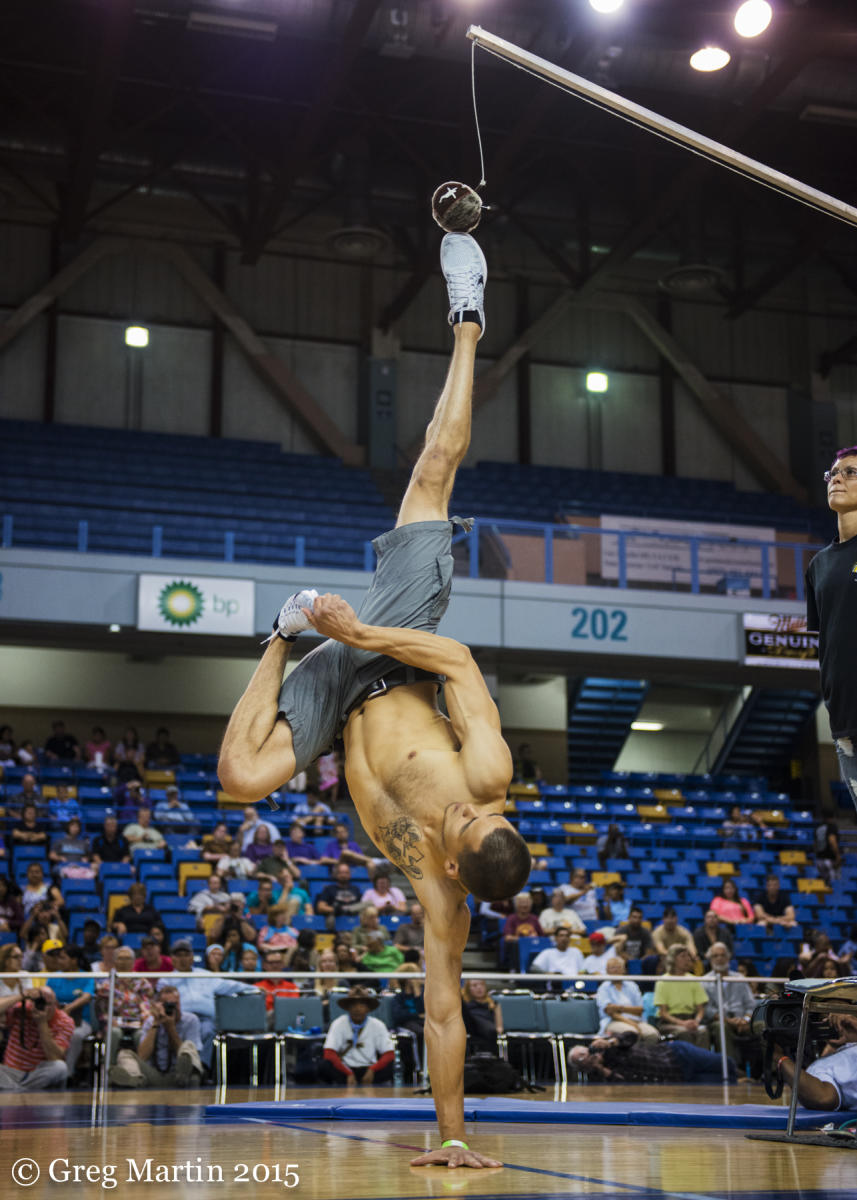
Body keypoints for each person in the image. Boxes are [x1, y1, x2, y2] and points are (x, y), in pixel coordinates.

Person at [218, 231, 521, 1169]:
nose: (474, 807)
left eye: (467, 825)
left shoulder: (444, 897)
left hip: (333, 694)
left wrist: (455, 1135)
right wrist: (356, 636)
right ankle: (468, 317)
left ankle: (275, 628)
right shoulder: (489, 773)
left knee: (240, 778)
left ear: (459, 866)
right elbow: (458, 659)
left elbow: (441, 1011)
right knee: (434, 467)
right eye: (484, 812)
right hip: (392, 649)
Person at [806, 443, 857, 814]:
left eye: (850, 473)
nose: (837, 478)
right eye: (832, 474)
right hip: (843, 722)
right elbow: (830, 642)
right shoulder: (817, 566)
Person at [109, 985, 203, 1088]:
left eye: (175, 1004)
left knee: (188, 1046)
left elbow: (193, 1055)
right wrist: (155, 1024)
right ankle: (135, 1079)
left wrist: (170, 1028)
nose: (172, 1008)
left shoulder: (191, 1020)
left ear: (180, 1002)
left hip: (179, 1074)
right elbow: (143, 1056)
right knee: (125, 1053)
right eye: (167, 1005)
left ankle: (182, 1077)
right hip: (154, 1075)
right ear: (159, 1005)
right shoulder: (151, 1021)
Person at [570, 1032, 736, 1084]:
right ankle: (743, 1080)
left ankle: (747, 1076)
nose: (587, 1058)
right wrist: (602, 1070)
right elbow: (626, 1084)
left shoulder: (610, 1047)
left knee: (727, 1065)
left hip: (676, 1054)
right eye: (582, 1061)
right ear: (583, 1068)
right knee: (726, 1081)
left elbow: (632, 1035)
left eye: (584, 1053)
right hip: (679, 1077)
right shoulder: (598, 1078)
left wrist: (610, 1041)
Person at [0, 985, 76, 1091]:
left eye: (47, 1003)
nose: (41, 1006)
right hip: (10, 1071)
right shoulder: (23, 1009)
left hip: (38, 1073)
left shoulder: (65, 1021)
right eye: (38, 1002)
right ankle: (22, 1091)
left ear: (55, 1004)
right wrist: (22, 996)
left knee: (60, 1067)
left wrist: (42, 1024)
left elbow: (54, 1057)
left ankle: (16, 1090)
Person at [776, 1012, 857, 1109]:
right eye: (826, 1019)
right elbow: (824, 1099)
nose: (836, 1019)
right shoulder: (821, 1067)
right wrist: (778, 1056)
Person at [701, 942, 759, 1075]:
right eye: (715, 956)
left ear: (728, 958)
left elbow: (751, 1004)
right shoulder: (703, 981)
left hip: (742, 1021)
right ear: (710, 959)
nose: (719, 959)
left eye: (722, 955)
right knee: (721, 1027)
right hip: (720, 1021)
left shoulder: (739, 978)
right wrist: (728, 1020)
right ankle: (732, 1068)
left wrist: (745, 1019)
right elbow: (707, 1010)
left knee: (762, 1026)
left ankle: (769, 1070)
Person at [319, 986, 395, 1085]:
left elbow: (389, 1054)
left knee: (393, 1065)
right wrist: (348, 1073)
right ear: (348, 1007)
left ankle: (369, 1081)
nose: (357, 1008)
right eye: (353, 1004)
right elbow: (329, 1053)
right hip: (345, 1069)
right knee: (324, 1065)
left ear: (368, 1008)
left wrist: (372, 1070)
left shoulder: (378, 1025)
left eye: (361, 1005)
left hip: (369, 1068)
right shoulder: (338, 1023)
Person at [652, 945, 709, 1047]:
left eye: (688, 956)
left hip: (691, 1019)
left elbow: (700, 1010)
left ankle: (703, 1061)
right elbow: (663, 1013)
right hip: (670, 1022)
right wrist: (682, 1023)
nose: (687, 959)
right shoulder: (663, 981)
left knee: (703, 1032)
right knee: (684, 1033)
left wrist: (696, 1021)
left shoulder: (694, 979)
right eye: (683, 956)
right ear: (673, 959)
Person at [595, 955, 658, 1041]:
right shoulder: (603, 988)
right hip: (613, 1021)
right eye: (612, 968)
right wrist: (631, 1022)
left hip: (637, 1020)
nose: (616, 970)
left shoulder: (632, 985)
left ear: (624, 970)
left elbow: (640, 1010)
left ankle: (646, 1054)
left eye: (619, 967)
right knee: (632, 1033)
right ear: (607, 971)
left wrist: (619, 1008)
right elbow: (610, 1011)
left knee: (652, 1034)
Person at [529, 925, 585, 989]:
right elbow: (534, 968)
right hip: (555, 986)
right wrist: (548, 973)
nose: (564, 938)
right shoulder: (548, 952)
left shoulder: (576, 952)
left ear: (569, 938)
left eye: (567, 936)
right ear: (555, 938)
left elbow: (583, 969)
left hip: (576, 986)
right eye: (561, 935)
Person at [461, 978, 503, 1054]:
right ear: (467, 988)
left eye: (482, 984)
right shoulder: (465, 1004)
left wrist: (499, 1030)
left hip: (487, 1029)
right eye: (474, 985)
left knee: (490, 1030)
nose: (479, 988)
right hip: (470, 1025)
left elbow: (499, 1027)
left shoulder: (493, 1003)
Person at [813, 818, 842, 885]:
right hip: (829, 860)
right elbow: (832, 841)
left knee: (824, 881)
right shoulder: (832, 827)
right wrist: (837, 856)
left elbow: (814, 845)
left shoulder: (818, 827)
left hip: (819, 860)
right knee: (833, 883)